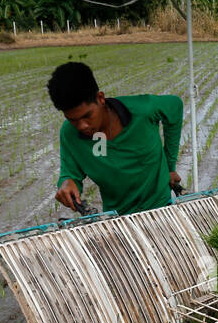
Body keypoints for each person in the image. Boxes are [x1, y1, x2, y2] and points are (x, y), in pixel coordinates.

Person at [47, 62, 183, 215]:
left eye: (87, 116)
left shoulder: (142, 110)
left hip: (160, 207)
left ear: (100, 98)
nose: (82, 126)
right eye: (73, 119)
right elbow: (70, 173)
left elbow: (174, 106)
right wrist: (67, 183)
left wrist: (170, 167)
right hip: (117, 218)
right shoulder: (70, 133)